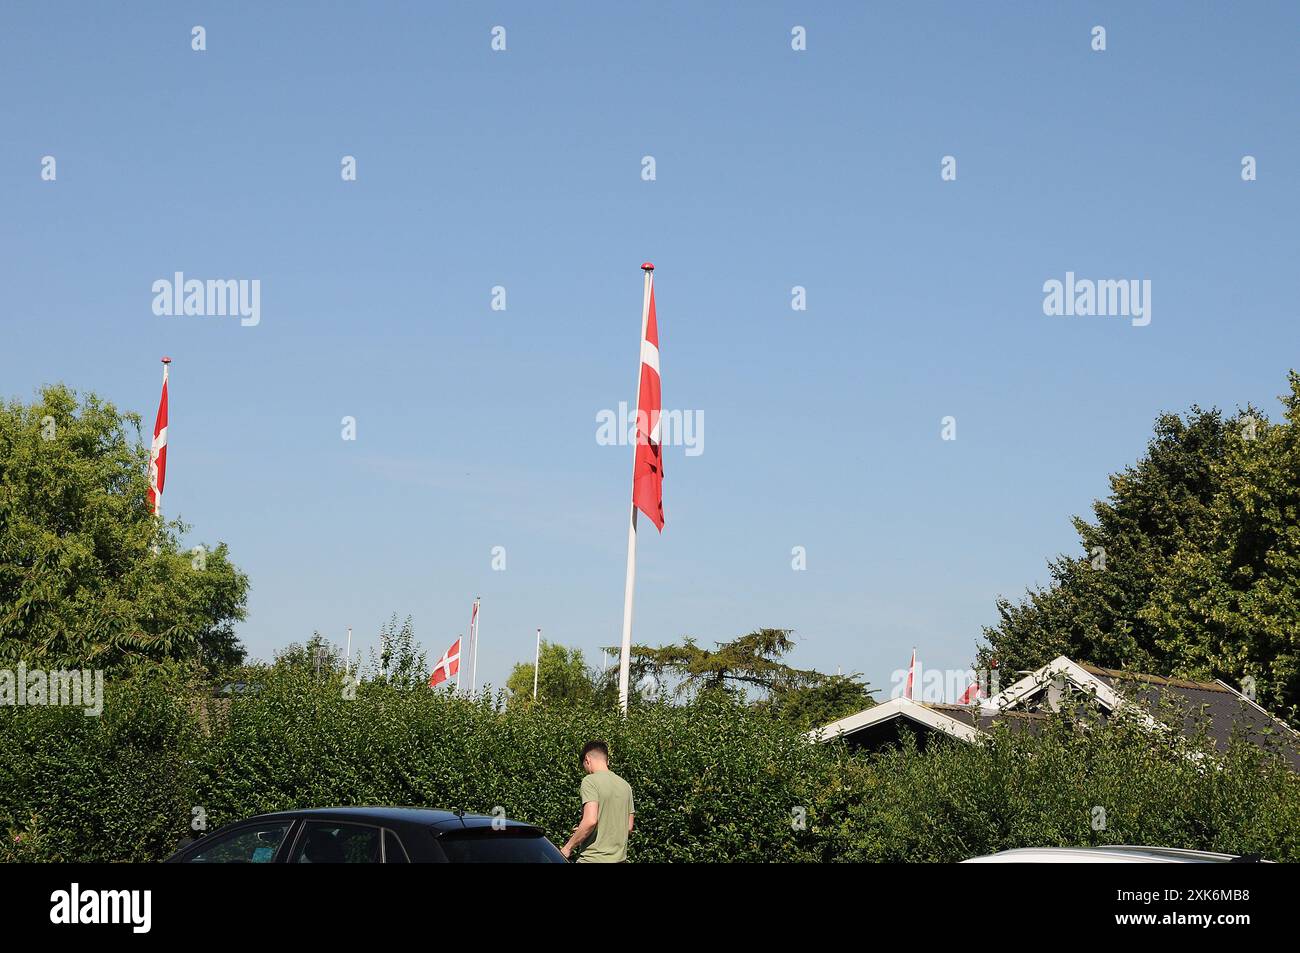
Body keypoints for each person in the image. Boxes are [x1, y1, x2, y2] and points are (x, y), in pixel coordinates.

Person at [559, 740, 634, 862]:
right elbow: (629, 827)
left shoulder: (590, 781)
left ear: (587, 759)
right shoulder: (625, 786)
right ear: (607, 760)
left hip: (593, 859)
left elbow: (590, 821)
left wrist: (567, 848)